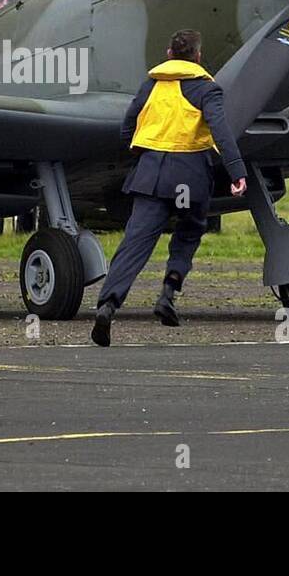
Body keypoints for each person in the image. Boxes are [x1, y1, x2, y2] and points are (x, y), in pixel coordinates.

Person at [91, 29, 248, 347]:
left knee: (135, 243)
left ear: (169, 53)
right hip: (189, 178)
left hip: (150, 175)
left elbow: (128, 125)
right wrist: (236, 172)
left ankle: (108, 305)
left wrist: (142, 153)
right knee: (189, 231)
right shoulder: (207, 89)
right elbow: (221, 130)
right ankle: (168, 290)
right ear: (198, 56)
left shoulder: (152, 84)